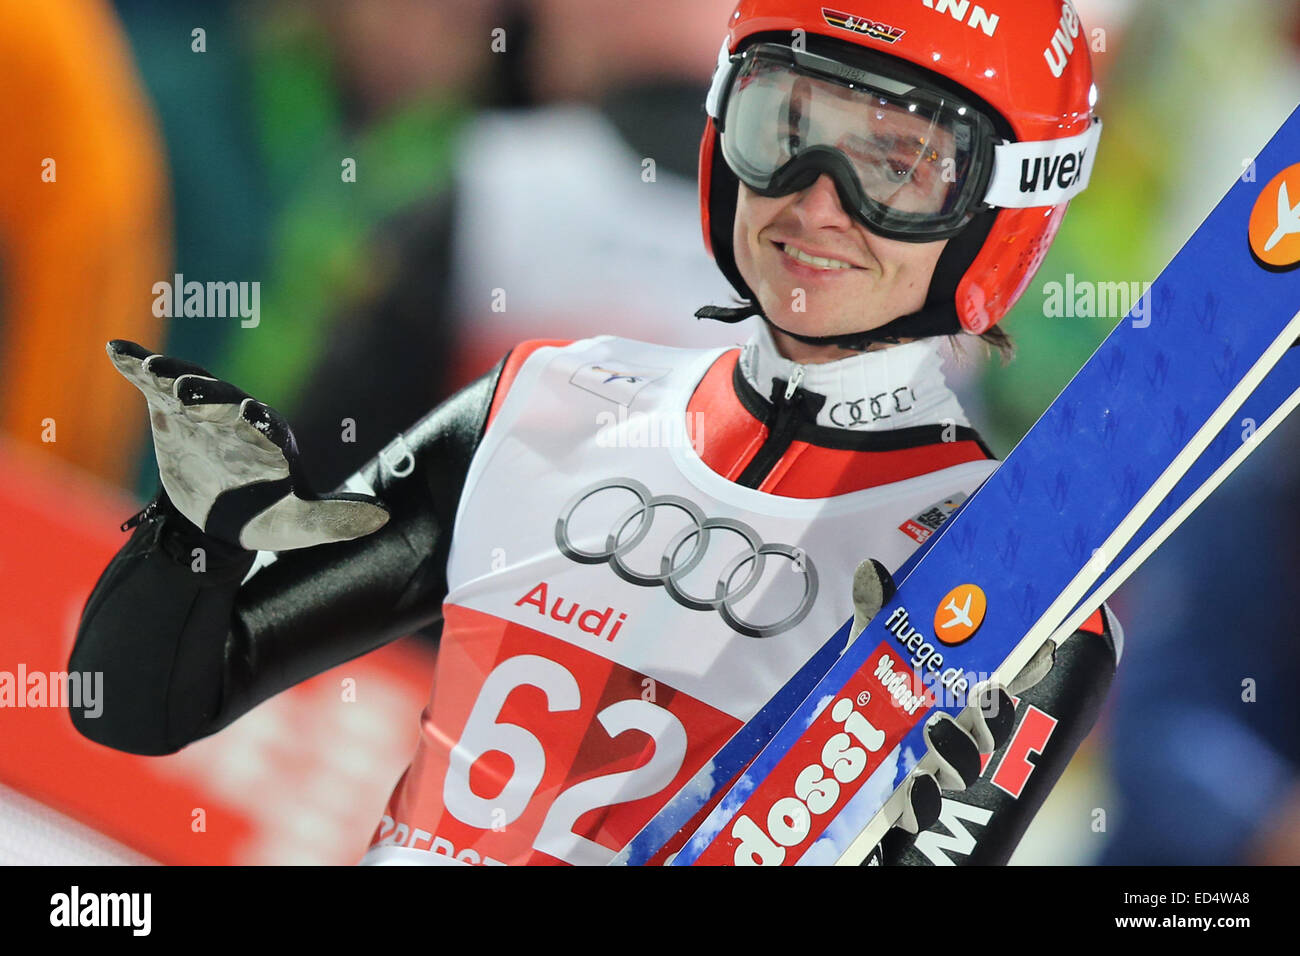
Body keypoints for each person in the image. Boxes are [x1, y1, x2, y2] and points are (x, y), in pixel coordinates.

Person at [68, 0, 1121, 866]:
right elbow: (135, 704)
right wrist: (192, 532)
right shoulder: (544, 402)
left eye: (896, 162)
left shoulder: (1002, 582)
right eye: (785, 128)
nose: (817, 203)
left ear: (1005, 202)